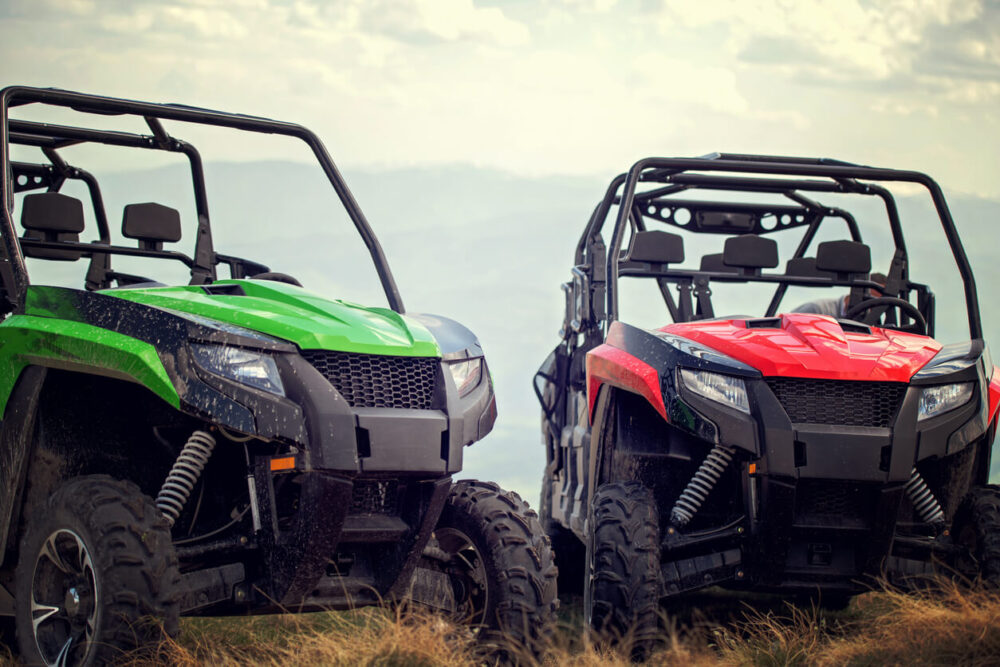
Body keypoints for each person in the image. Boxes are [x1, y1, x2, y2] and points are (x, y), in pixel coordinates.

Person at [792, 272, 886, 319]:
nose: (872, 308)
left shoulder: (872, 327)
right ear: (857, 291)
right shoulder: (817, 310)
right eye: (870, 300)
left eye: (878, 304)